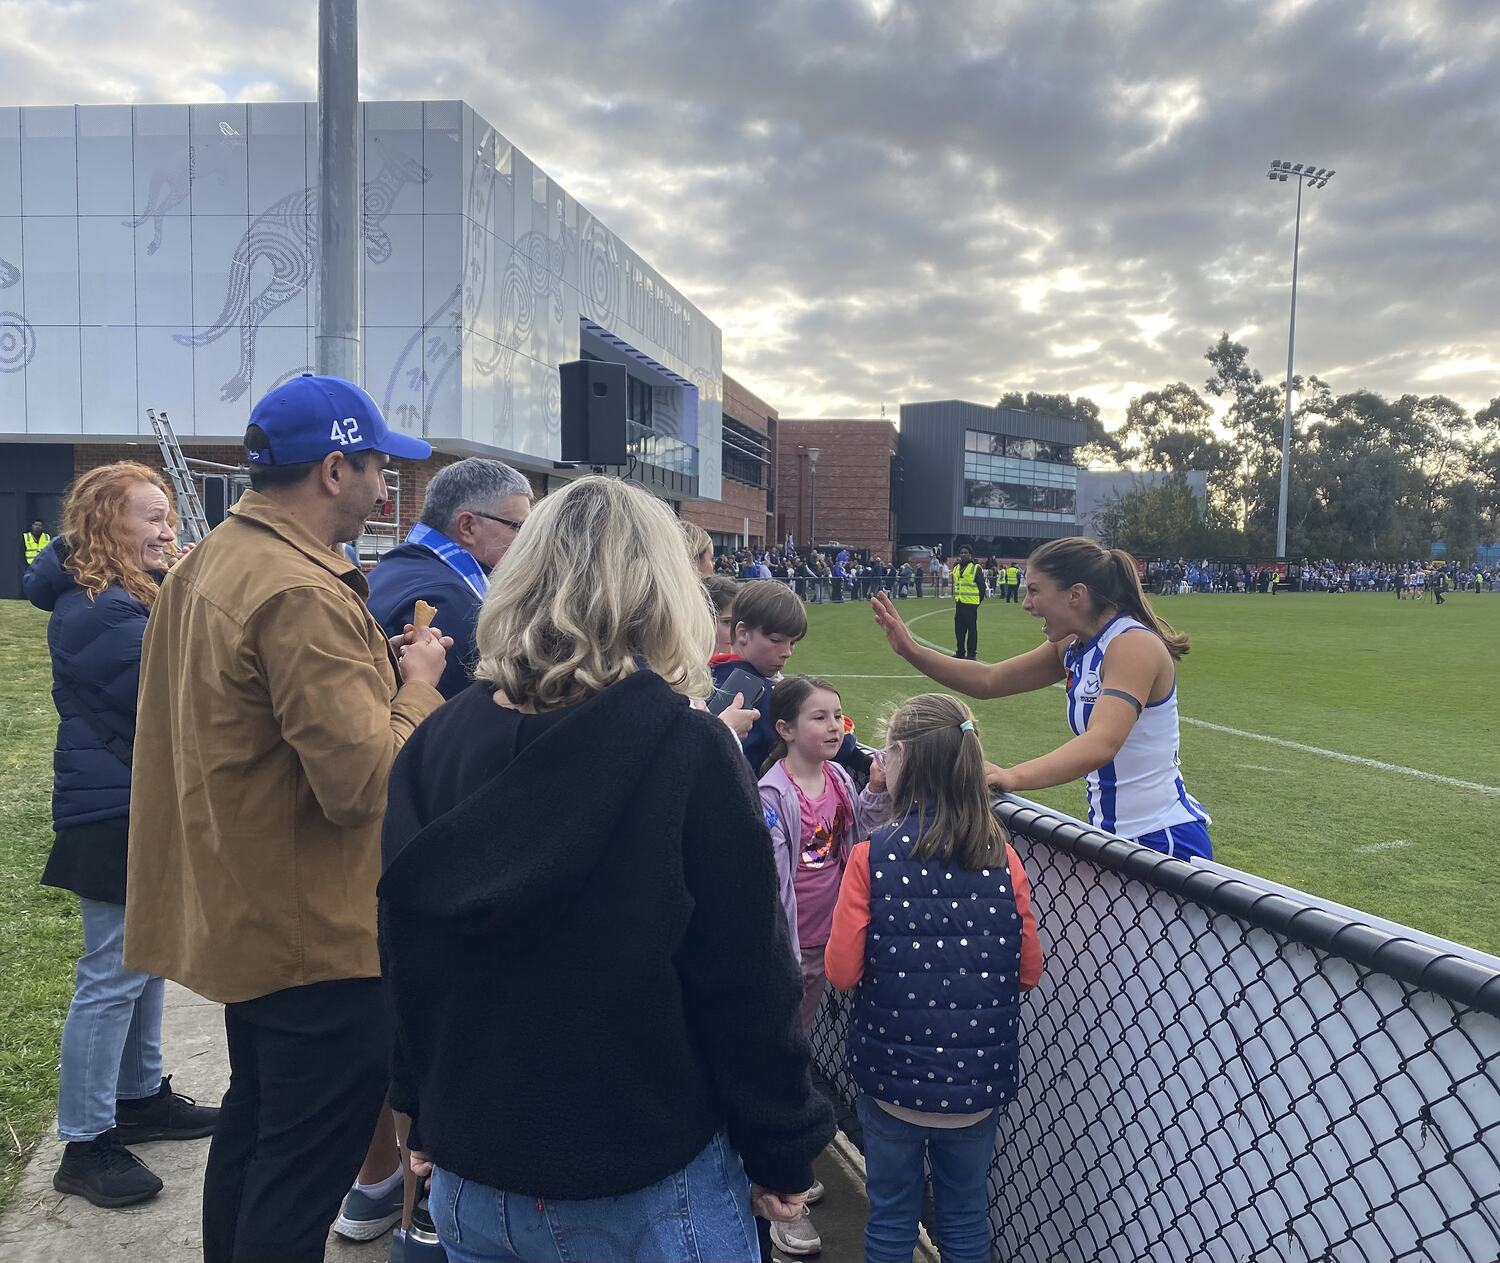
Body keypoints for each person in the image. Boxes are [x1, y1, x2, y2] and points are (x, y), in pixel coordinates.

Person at [379, 476, 833, 1263]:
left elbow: (406, 946)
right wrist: (780, 1143)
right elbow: (747, 977)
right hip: (641, 1181)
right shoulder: (683, 748)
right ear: (662, 593)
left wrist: (420, 1101)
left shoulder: (439, 736)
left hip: (477, 1167)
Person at [124, 374, 451, 1263]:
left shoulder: (213, 559)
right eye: (381, 468)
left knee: (258, 1131)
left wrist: (367, 678)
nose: (389, 489)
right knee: (303, 1170)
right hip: (321, 939)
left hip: (254, 915)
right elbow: (363, 785)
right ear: (335, 468)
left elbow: (257, 724)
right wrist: (416, 690)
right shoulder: (300, 589)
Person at [24, 464, 219, 1210]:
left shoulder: (129, 598)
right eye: (152, 518)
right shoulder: (98, 610)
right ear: (107, 525)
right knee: (110, 973)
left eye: (168, 516)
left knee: (144, 959)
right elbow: (179, 695)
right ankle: (85, 1139)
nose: (168, 529)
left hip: (135, 807)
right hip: (113, 814)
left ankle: (139, 1098)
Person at [825, 692, 1041, 1263]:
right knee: (966, 1217)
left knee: (892, 1218)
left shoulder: (872, 856)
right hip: (976, 1080)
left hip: (891, 1078)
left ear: (898, 756)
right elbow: (1028, 969)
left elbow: (842, 972)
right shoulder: (1003, 856)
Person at [872, 537, 1212, 860]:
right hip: (1116, 836)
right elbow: (990, 681)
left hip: (1163, 838)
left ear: (1075, 594)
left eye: (1035, 591)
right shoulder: (1072, 645)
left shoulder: (1132, 645)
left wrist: (1014, 776)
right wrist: (911, 651)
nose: (1026, 603)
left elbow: (1102, 743)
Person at [756, 676, 890, 1256]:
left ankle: (785, 1161)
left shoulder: (837, 777)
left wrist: (879, 792)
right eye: (819, 717)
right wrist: (787, 957)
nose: (835, 726)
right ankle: (777, 1178)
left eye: (839, 716)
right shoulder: (772, 794)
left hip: (831, 946)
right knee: (786, 1057)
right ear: (785, 730)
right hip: (796, 953)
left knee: (801, 1052)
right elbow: (776, 884)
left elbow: (857, 837)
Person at [367, 457, 533, 703]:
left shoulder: (393, 568)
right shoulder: (451, 604)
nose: (528, 540)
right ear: (467, 526)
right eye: (520, 527)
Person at [712, 580, 809, 772]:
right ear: (742, 633)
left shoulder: (706, 671)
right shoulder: (764, 693)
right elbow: (836, 744)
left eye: (792, 643)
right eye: (776, 640)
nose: (787, 652)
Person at [950, 546, 985, 660]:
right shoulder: (956, 568)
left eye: (966, 552)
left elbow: (982, 587)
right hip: (959, 603)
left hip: (971, 605)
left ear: (970, 554)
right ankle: (960, 651)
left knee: (971, 630)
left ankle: (971, 654)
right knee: (959, 630)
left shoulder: (975, 568)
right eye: (961, 553)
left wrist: (978, 601)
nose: (963, 554)